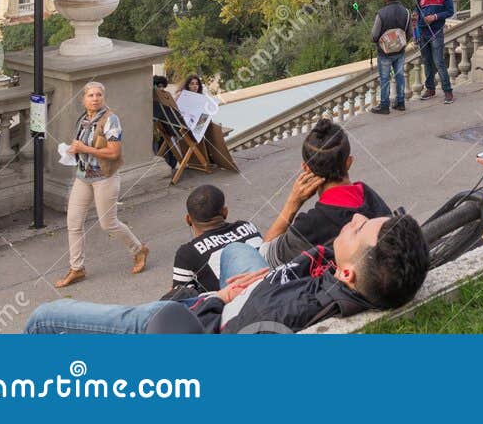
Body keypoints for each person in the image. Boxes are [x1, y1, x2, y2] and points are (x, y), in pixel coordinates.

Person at [28, 211, 427, 334]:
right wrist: (268, 276)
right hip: (260, 294)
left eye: (359, 228)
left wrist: (217, 298)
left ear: (348, 273)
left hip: (208, 318)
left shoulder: (274, 320)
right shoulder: (353, 281)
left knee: (44, 318)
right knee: (236, 249)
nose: (355, 217)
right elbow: (320, 260)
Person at [52, 81, 148, 289]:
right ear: (83, 99)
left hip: (104, 177)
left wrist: (84, 149)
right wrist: (74, 150)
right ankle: (77, 268)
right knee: (74, 222)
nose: (95, 99)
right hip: (83, 176)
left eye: (98, 95)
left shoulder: (110, 119)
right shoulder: (84, 120)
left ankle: (138, 249)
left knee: (108, 223)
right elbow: (84, 145)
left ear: (103, 98)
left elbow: (114, 152)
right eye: (91, 95)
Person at [260, 119, 392, 265]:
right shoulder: (370, 197)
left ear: (306, 169)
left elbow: (265, 255)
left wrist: (292, 203)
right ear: (348, 162)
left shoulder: (309, 225)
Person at [169, 184, 263, 295]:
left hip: (232, 307)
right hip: (272, 289)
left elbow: (180, 297)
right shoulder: (248, 226)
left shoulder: (187, 253)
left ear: (188, 219)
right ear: (225, 212)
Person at [414, 0, 456, 104]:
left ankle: (448, 91)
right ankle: (430, 89)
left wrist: (435, 17)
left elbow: (450, 11)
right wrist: (416, 16)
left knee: (439, 62)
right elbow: (417, 10)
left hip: (436, 32)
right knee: (427, 62)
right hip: (422, 31)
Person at [370, 0, 410, 114]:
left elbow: (374, 35)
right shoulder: (406, 11)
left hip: (385, 53)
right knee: (399, 76)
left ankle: (384, 106)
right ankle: (400, 103)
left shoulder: (381, 13)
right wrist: (401, 43)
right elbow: (410, 33)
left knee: (385, 79)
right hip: (400, 51)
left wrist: (378, 41)